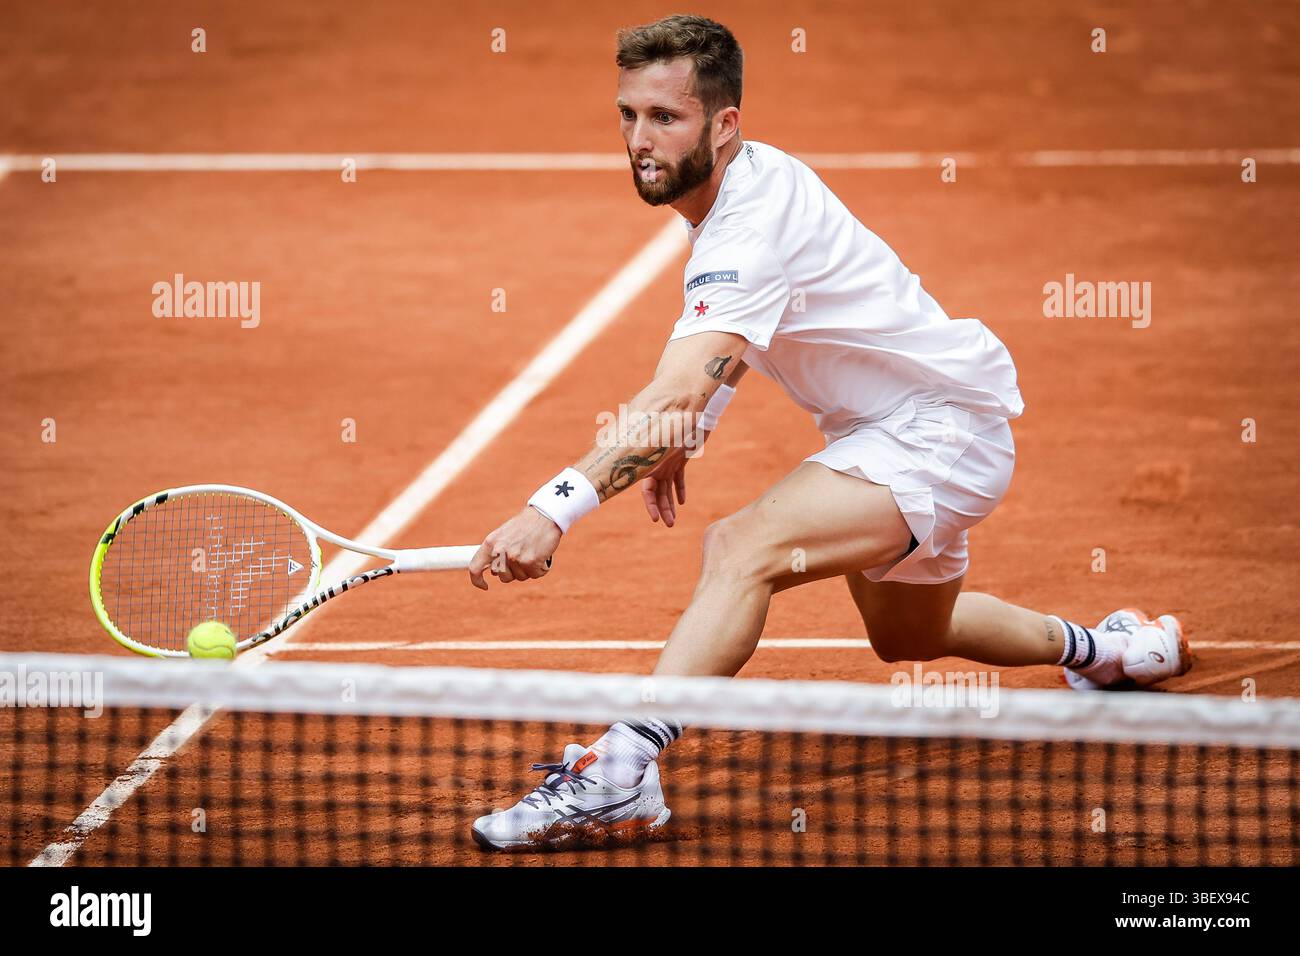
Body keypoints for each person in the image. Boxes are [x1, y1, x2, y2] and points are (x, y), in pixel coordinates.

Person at [466, 14, 1190, 850]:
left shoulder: (748, 224)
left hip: (937, 433)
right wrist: (686, 433)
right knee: (909, 636)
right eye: (628, 115)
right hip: (899, 434)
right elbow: (732, 352)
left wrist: (552, 509)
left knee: (742, 549)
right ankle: (1107, 650)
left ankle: (624, 772)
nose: (639, 138)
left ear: (725, 123)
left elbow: (679, 380)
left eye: (665, 117)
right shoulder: (743, 194)